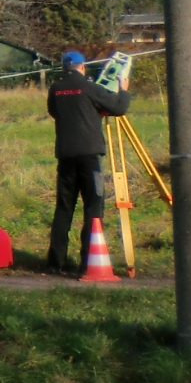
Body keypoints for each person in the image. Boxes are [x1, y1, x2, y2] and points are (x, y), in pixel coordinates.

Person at [45, 50, 131, 277]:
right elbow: (119, 108)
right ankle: (88, 262)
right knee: (93, 207)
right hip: (90, 157)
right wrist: (123, 90)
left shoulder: (55, 89)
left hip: (65, 156)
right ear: (83, 67)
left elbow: (55, 112)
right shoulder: (90, 88)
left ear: (65, 68)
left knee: (64, 208)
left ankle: (55, 263)